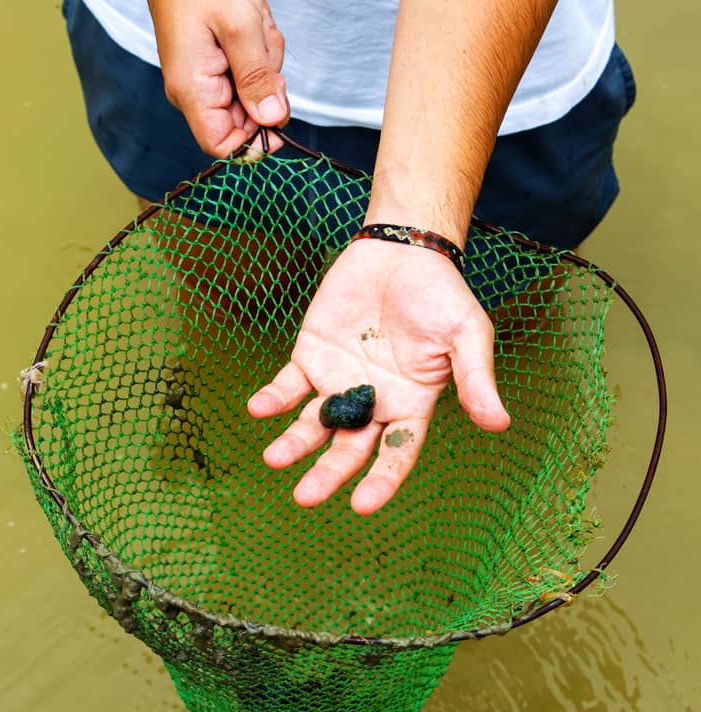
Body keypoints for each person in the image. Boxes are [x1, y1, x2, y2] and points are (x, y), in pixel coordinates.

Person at [62, 0, 636, 515]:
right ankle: (227, 473)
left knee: (501, 334)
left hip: (494, 70)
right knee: (229, 302)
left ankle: (464, 497)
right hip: (184, 45)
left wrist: (418, 230)